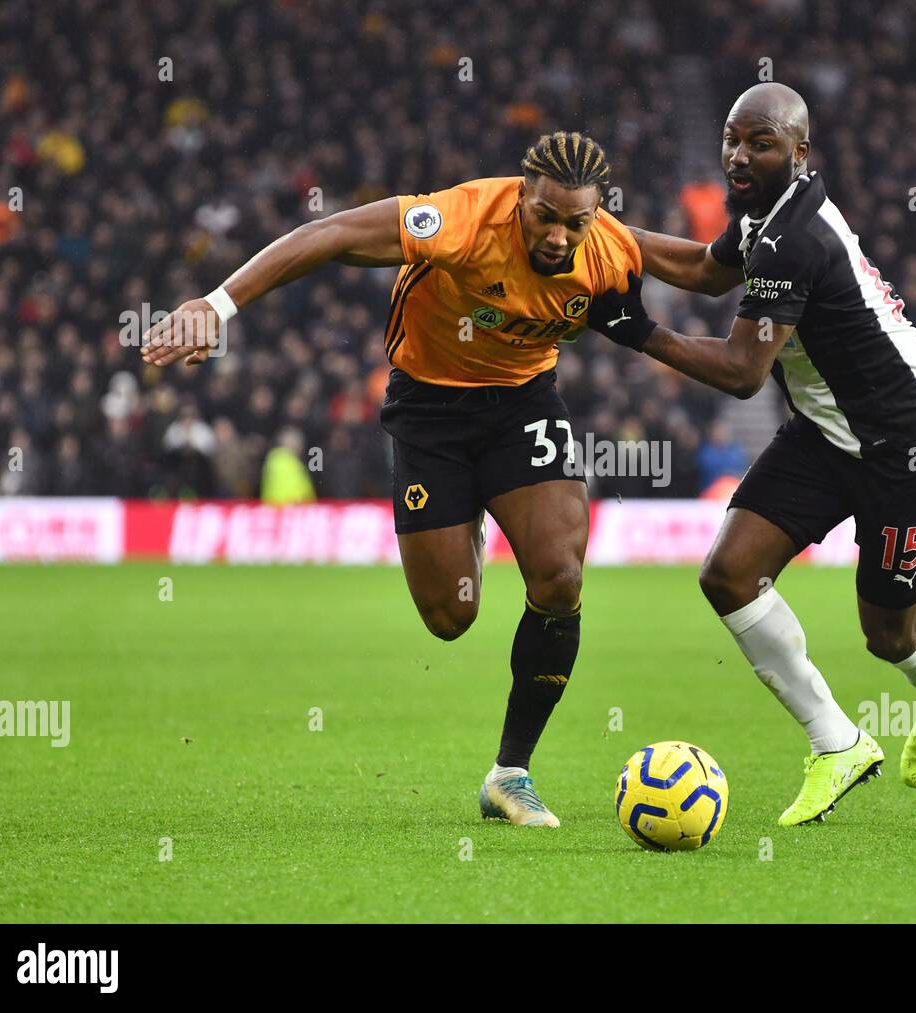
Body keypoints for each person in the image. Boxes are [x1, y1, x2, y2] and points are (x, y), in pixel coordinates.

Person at [142, 132, 642, 828]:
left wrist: (772, 245)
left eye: (577, 222)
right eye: (547, 217)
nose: (560, 236)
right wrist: (218, 306)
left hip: (522, 402)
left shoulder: (607, 243)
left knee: (559, 577)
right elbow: (335, 232)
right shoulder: (464, 218)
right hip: (431, 410)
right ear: (522, 196)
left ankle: (511, 772)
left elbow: (702, 267)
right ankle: (465, 509)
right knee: (451, 617)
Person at [590, 84, 916, 826]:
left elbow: (741, 373)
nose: (738, 154)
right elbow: (705, 268)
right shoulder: (769, 214)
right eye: (732, 139)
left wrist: (639, 331)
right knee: (729, 573)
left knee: (887, 632)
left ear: (799, 153)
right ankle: (838, 740)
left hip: (909, 445)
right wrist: (604, 231)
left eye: (759, 143)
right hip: (831, 434)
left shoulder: (791, 238)